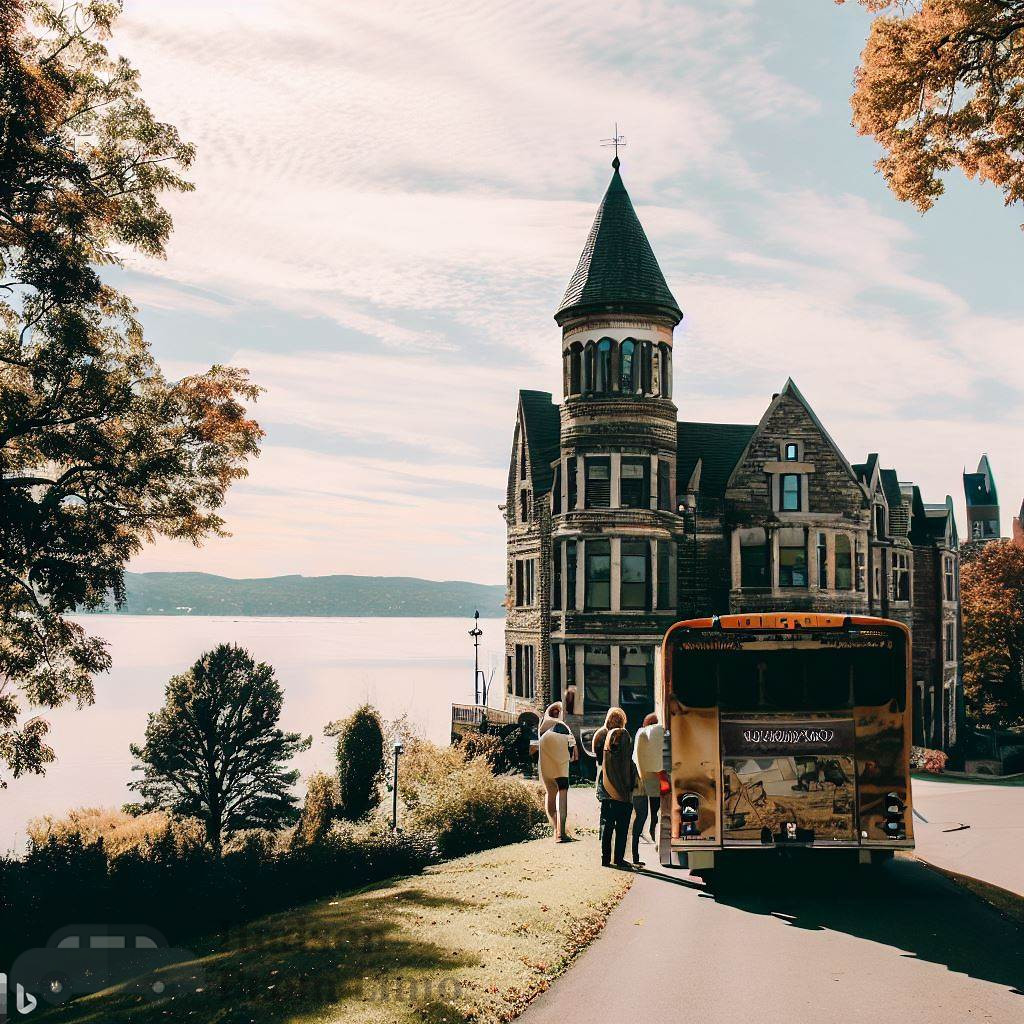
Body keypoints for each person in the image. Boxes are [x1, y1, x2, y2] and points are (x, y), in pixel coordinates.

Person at [537, 702, 577, 842]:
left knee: (551, 794)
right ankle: (561, 832)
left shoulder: (542, 729)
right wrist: (571, 756)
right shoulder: (563, 727)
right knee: (563, 793)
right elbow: (573, 748)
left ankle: (556, 828)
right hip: (561, 766)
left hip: (546, 766)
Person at [600, 722, 637, 868]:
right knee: (621, 829)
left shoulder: (606, 757)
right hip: (624, 796)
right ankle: (619, 859)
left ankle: (605, 859)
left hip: (607, 795)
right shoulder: (627, 760)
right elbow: (630, 777)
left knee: (607, 828)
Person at [631, 712, 665, 865]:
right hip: (651, 781)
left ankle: (637, 850)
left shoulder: (641, 735)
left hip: (643, 781)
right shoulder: (649, 736)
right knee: (653, 810)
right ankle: (652, 830)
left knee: (645, 813)